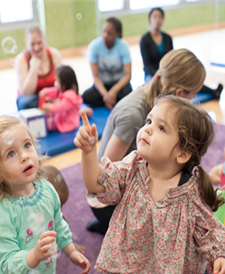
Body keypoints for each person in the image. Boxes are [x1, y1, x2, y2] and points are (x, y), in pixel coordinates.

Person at [74, 97, 225, 274]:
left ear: (182, 154)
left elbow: (209, 231)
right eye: (149, 121)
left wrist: (220, 258)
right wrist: (88, 153)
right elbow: (97, 184)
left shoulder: (190, 192)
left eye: (161, 128)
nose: (148, 129)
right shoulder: (133, 166)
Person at [86, 49, 205, 234]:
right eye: (192, 97)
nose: (192, 101)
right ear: (180, 93)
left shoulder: (152, 93)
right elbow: (102, 177)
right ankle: (108, 223)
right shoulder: (133, 114)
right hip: (106, 199)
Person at [0, 116, 90, 274]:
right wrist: (34, 255)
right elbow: (6, 264)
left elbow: (58, 224)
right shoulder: (1, 213)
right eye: (11, 154)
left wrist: (70, 250)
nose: (25, 156)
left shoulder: (47, 189)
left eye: (27, 145)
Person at [0, 165, 85, 260]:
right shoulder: (18, 195)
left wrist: (70, 245)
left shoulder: (45, 196)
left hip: (8, 216)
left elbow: (59, 219)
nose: (59, 209)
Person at [140, 7, 223, 98]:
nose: (157, 19)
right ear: (150, 19)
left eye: (160, 17)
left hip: (168, 72)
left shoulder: (167, 38)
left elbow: (173, 58)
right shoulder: (144, 40)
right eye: (155, 16)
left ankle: (213, 91)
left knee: (186, 80)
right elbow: (147, 65)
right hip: (153, 75)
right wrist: (160, 74)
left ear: (163, 20)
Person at [82, 17, 132, 110]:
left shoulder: (123, 46)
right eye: (104, 31)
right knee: (86, 97)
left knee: (128, 94)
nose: (105, 35)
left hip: (119, 84)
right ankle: (112, 101)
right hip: (102, 85)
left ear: (117, 34)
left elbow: (128, 75)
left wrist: (114, 91)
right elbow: (96, 77)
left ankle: (113, 100)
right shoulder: (94, 46)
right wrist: (106, 96)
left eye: (109, 33)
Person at [15, 25, 62, 110]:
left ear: (44, 40)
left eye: (39, 43)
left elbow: (63, 83)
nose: (36, 47)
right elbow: (27, 92)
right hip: (32, 98)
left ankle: (52, 106)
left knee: (69, 96)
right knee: (26, 103)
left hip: (51, 95)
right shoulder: (21, 60)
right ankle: (53, 106)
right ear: (26, 42)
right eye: (32, 44)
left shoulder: (54, 54)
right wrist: (33, 68)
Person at [39, 65, 83, 133]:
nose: (55, 83)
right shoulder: (64, 89)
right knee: (47, 117)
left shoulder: (70, 97)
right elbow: (54, 91)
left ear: (66, 82)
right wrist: (45, 91)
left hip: (67, 124)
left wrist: (49, 107)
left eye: (58, 81)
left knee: (45, 124)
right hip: (62, 118)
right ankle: (83, 113)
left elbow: (59, 107)